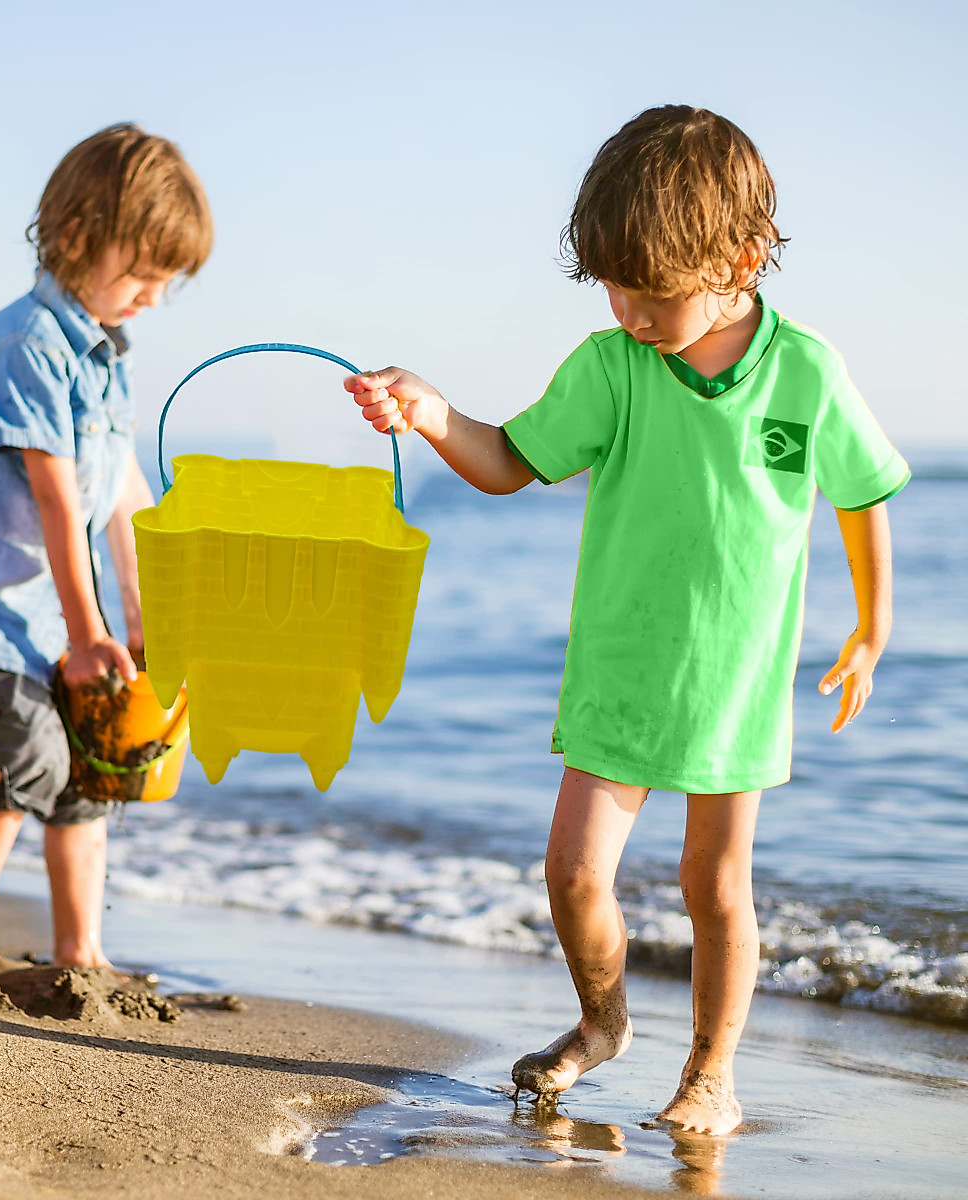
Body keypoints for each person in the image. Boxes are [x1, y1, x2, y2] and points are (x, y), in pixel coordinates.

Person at [345, 105, 908, 1135]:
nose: (629, 310)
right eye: (612, 285)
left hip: (736, 684)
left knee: (716, 889)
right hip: (617, 670)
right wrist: (430, 413)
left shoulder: (806, 372)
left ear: (741, 259)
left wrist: (872, 627)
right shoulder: (611, 368)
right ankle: (602, 1022)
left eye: (652, 291)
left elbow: (863, 491)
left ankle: (711, 1073)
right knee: (571, 875)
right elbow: (510, 462)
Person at [0, 123, 212, 972]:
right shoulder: (27, 349)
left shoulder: (104, 358)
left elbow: (119, 492)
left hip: (54, 608)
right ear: (78, 237)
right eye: (146, 271)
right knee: (26, 751)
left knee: (95, 763)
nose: (154, 295)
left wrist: (142, 614)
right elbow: (52, 496)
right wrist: (87, 635)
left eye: (169, 279)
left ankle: (82, 950)